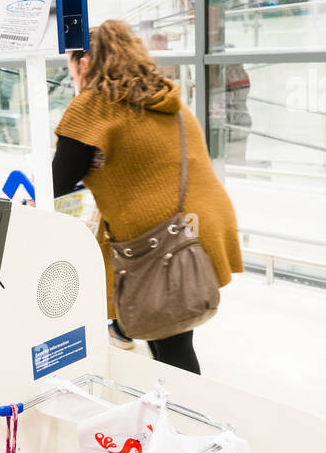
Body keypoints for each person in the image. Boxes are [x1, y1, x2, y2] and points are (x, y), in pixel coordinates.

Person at [53, 19, 242, 374]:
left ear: (84, 63)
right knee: (169, 329)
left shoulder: (92, 106)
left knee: (168, 337)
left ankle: (186, 420)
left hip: (163, 238)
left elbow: (56, 182)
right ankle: (169, 400)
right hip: (199, 223)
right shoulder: (163, 95)